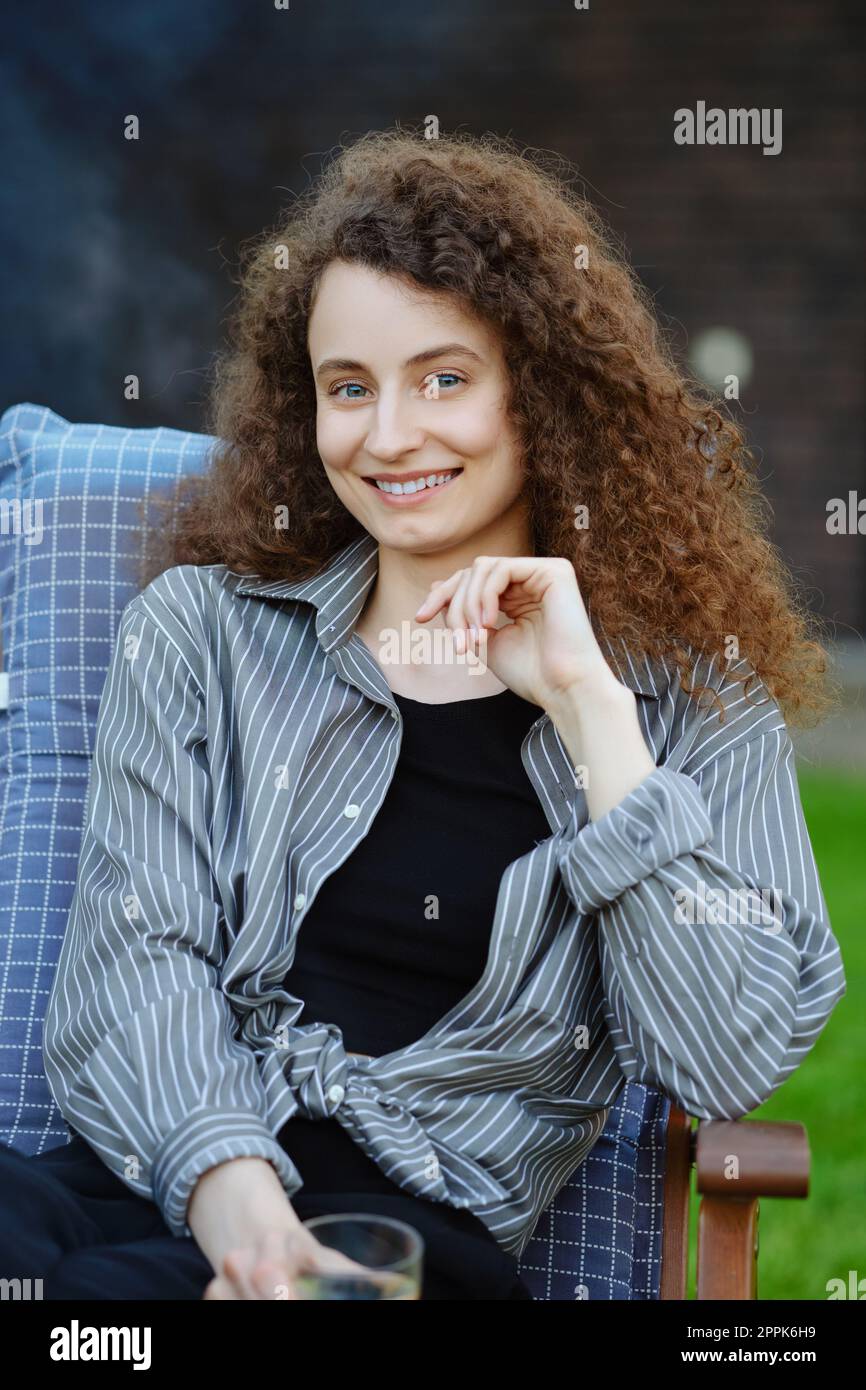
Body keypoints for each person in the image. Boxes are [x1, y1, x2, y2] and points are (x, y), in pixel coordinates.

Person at [0, 128, 846, 1301]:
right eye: (349, 388)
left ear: (538, 394)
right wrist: (233, 1191)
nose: (388, 437)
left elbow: (722, 1054)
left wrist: (591, 712)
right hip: (150, 1170)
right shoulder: (199, 633)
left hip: (399, 1241)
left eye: (442, 378)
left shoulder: (689, 705)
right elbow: (132, 963)